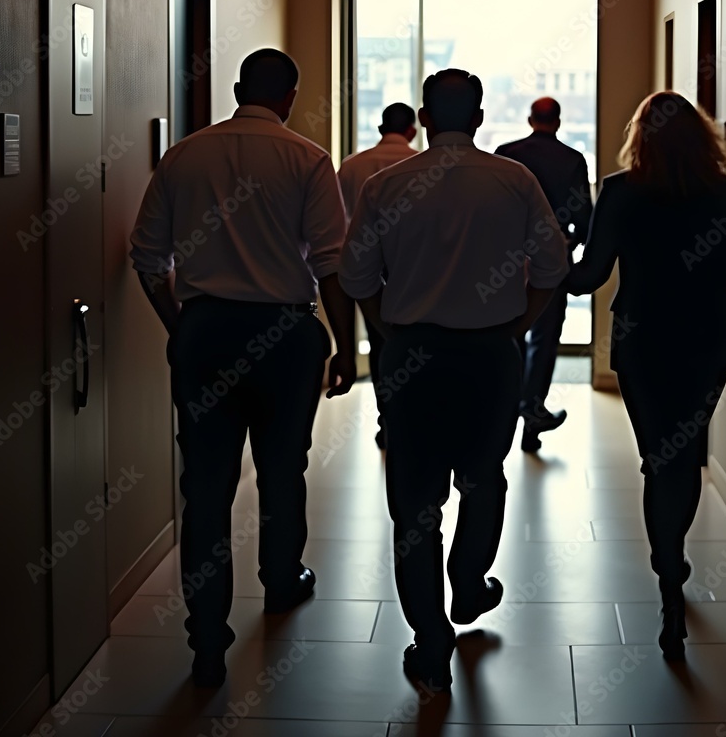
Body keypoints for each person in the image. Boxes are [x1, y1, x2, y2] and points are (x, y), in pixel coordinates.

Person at [129, 48, 356, 688]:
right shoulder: (307, 158)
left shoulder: (184, 155)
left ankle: (206, 640)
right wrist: (344, 343)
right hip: (285, 334)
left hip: (206, 331)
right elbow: (332, 263)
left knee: (205, 488)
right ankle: (281, 582)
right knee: (284, 467)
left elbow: (147, 258)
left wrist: (183, 327)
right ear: (289, 96)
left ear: (236, 89)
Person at [338, 69, 569, 691]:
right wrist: (515, 322)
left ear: (424, 115)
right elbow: (554, 265)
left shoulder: (387, 185)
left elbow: (355, 278)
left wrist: (387, 332)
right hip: (489, 355)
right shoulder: (513, 180)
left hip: (411, 354)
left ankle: (431, 638)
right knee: (483, 479)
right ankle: (468, 585)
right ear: (481, 114)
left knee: (414, 505)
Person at [567, 91, 726, 661]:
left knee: (657, 460)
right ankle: (671, 566)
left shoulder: (619, 191)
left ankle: (668, 572)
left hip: (643, 342)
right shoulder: (717, 191)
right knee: (686, 454)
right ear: (699, 136)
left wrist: (543, 260)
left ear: (640, 136)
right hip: (705, 339)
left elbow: (588, 277)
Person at [495, 97, 593, 452]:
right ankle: (532, 413)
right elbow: (584, 216)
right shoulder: (572, 160)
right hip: (551, 255)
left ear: (530, 119)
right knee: (544, 337)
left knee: (510, 335)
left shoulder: (506, 153)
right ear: (559, 121)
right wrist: (573, 245)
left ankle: (505, 411)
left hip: (506, 258)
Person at [337, 102, 418, 449]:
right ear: (412, 131)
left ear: (380, 127)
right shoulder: (423, 165)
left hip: (366, 269)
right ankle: (411, 418)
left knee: (380, 343)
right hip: (413, 270)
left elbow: (337, 224)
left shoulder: (352, 167)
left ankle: (387, 419)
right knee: (415, 346)